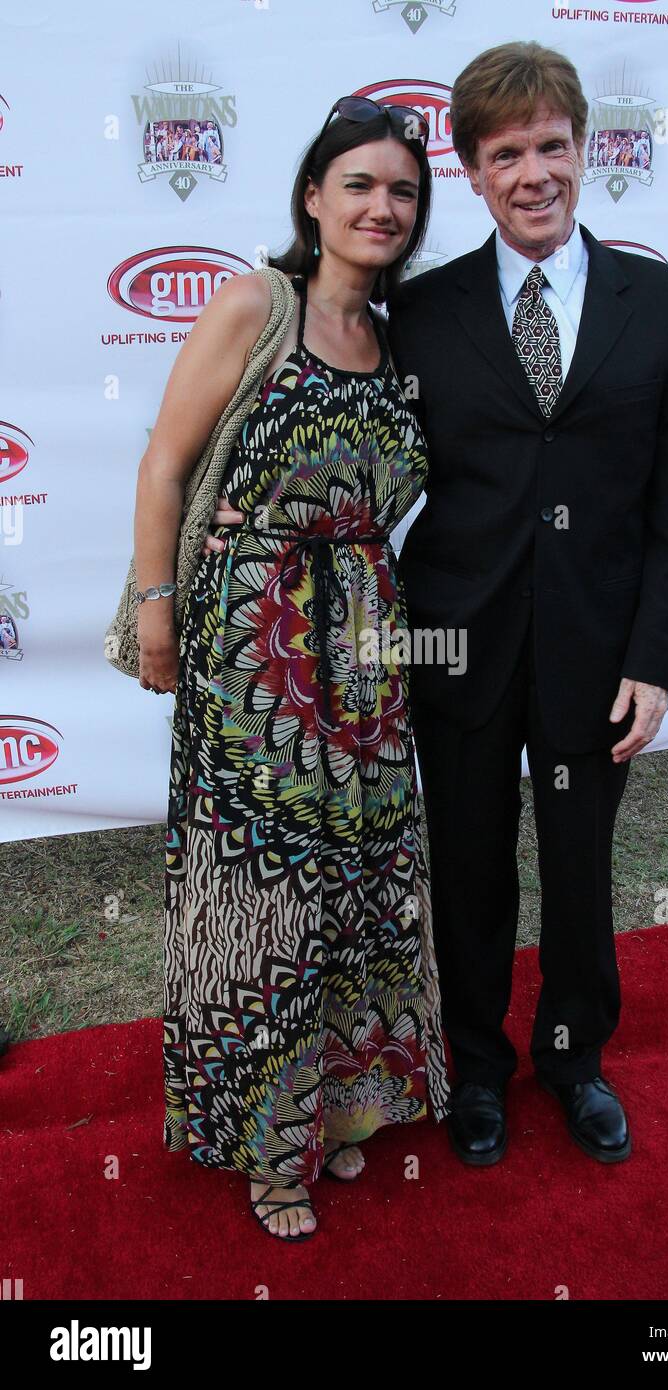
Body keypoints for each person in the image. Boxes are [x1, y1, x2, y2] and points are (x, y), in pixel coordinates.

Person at [380, 42, 668, 1168]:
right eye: (505, 152)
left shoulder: (665, 305)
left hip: (596, 649)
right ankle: (476, 1066)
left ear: (587, 150)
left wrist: (654, 656)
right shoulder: (417, 314)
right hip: (456, 641)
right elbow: (367, 471)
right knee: (466, 863)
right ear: (471, 171)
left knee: (577, 865)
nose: (534, 172)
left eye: (552, 145)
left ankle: (571, 1058)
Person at [133, 94, 449, 1241]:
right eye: (357, 183)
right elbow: (166, 465)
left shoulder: (397, 335)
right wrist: (157, 609)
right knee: (267, 903)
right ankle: (266, 1152)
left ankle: (332, 1118)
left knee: (358, 886)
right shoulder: (252, 305)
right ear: (311, 197)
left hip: (365, 642)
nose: (380, 205)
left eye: (401, 191)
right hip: (249, 655)